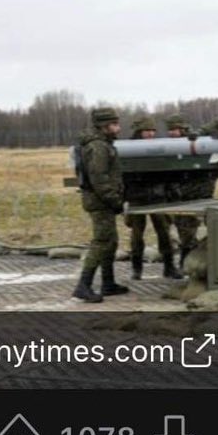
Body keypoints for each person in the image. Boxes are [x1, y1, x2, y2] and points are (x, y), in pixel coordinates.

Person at [72, 106, 128, 303]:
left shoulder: (103, 144)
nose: (118, 128)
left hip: (102, 201)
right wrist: (115, 200)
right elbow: (99, 179)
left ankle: (108, 282)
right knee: (102, 242)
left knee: (110, 242)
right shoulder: (98, 147)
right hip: (100, 201)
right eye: (114, 124)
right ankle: (83, 285)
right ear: (104, 126)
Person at [122, 116, 180, 280]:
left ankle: (169, 267)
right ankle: (136, 268)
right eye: (147, 131)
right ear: (139, 132)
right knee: (136, 236)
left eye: (152, 131)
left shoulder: (158, 147)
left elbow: (167, 171)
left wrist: (170, 193)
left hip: (157, 196)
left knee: (164, 233)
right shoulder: (128, 149)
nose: (150, 134)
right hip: (136, 198)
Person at [165, 113, 212, 265]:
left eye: (174, 129)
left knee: (208, 227)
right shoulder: (171, 146)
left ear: (182, 129)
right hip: (181, 196)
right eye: (170, 130)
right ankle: (186, 261)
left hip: (199, 194)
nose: (172, 133)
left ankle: (202, 258)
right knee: (185, 231)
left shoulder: (195, 143)